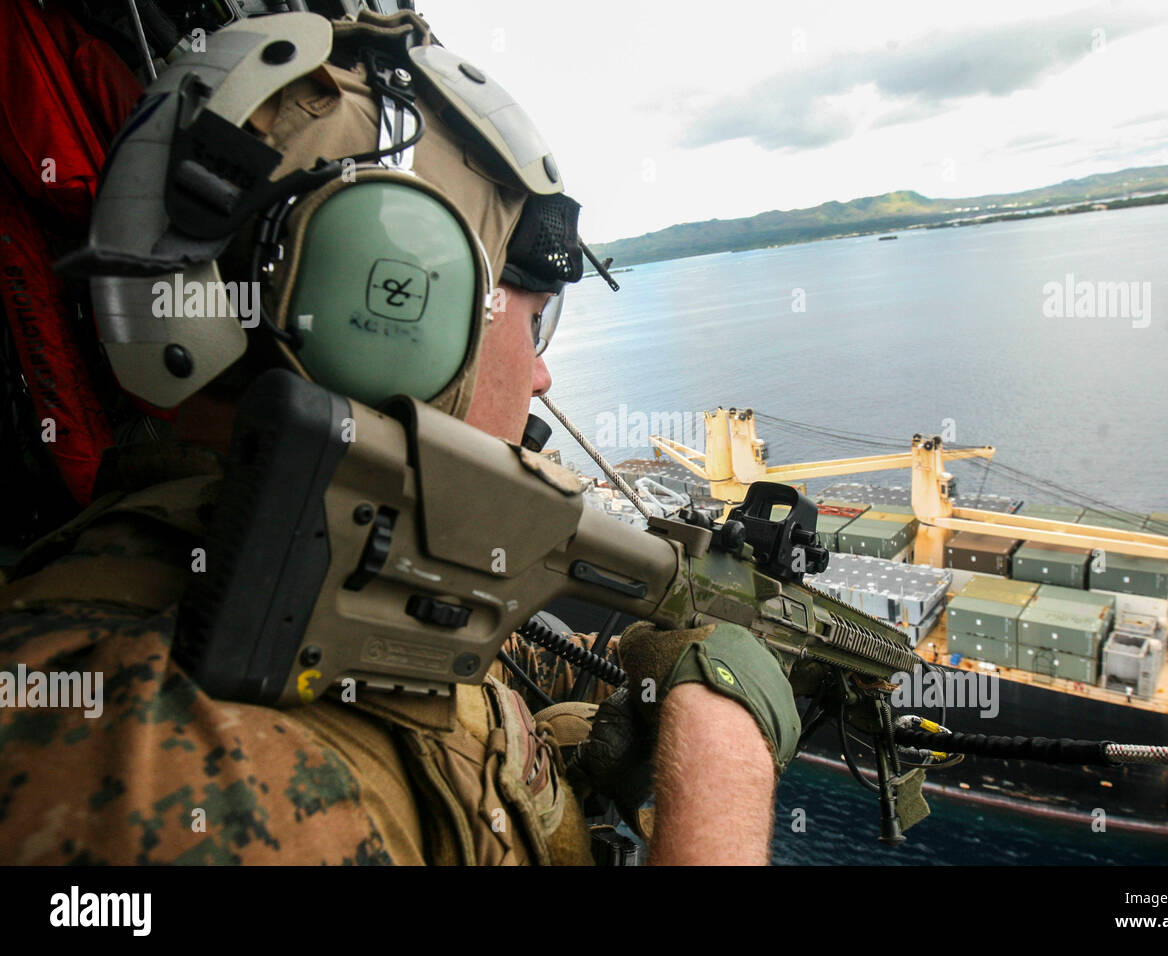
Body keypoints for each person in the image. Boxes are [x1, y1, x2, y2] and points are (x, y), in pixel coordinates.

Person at [0, 7, 797, 865]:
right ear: (399, 308)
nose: (541, 377)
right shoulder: (175, 773)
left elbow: (431, 747)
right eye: (534, 321)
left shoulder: (331, 563)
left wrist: (596, 717)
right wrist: (721, 766)